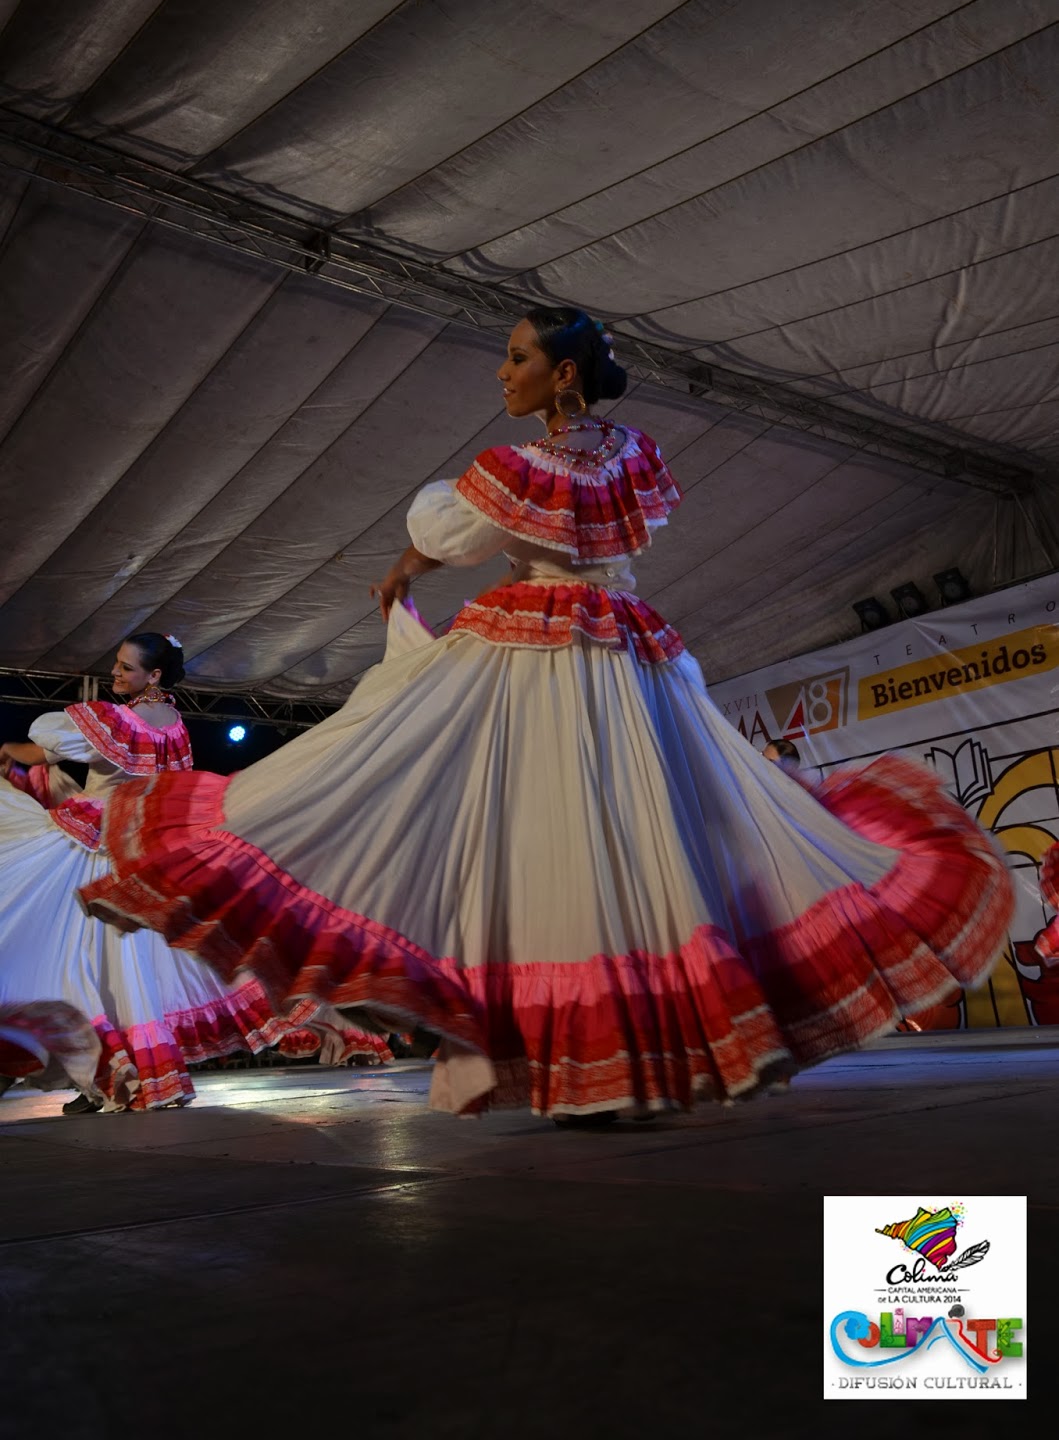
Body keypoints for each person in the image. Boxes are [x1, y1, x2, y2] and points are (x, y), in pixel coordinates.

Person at [83, 310, 1014, 1121]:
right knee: (640, 842)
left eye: (517, 357)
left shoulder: (513, 467)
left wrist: (413, 564)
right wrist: (423, 565)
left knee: (521, 831)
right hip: (629, 648)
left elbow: (450, 531)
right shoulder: (630, 453)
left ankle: (570, 1061)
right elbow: (563, 532)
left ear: (561, 374)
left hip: (538, 649)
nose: (503, 371)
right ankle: (622, 1060)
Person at [0, 632, 346, 1111]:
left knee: (61, 953)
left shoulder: (117, 719)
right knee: (120, 971)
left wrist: (14, 752)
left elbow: (46, 741)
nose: (115, 674)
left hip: (93, 848)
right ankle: (123, 1075)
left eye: (125, 668)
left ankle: (107, 1072)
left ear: (154, 675)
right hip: (137, 854)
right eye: (117, 665)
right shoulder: (176, 726)